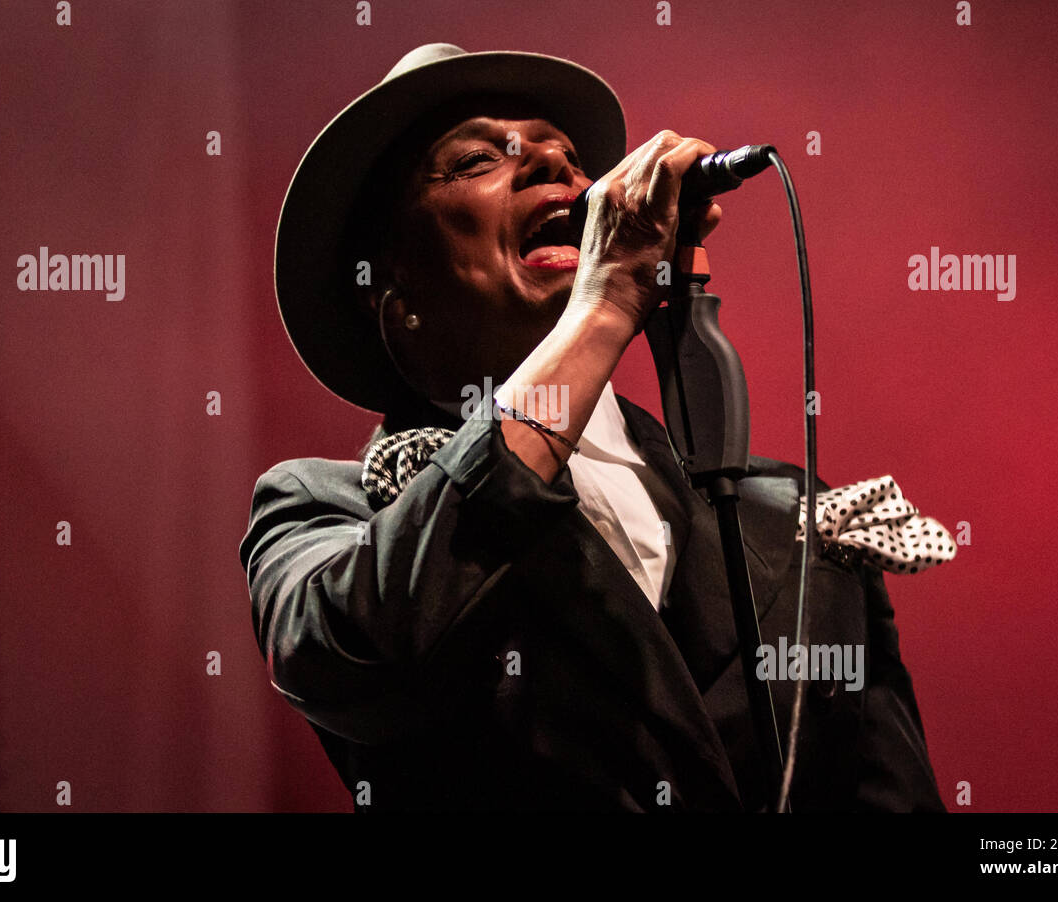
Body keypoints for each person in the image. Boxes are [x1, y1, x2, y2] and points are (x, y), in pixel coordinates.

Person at [240, 43, 946, 812]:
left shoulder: (795, 523)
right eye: (478, 160)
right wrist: (605, 306)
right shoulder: (326, 510)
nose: (556, 170)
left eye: (570, 159)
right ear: (391, 290)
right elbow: (360, 661)